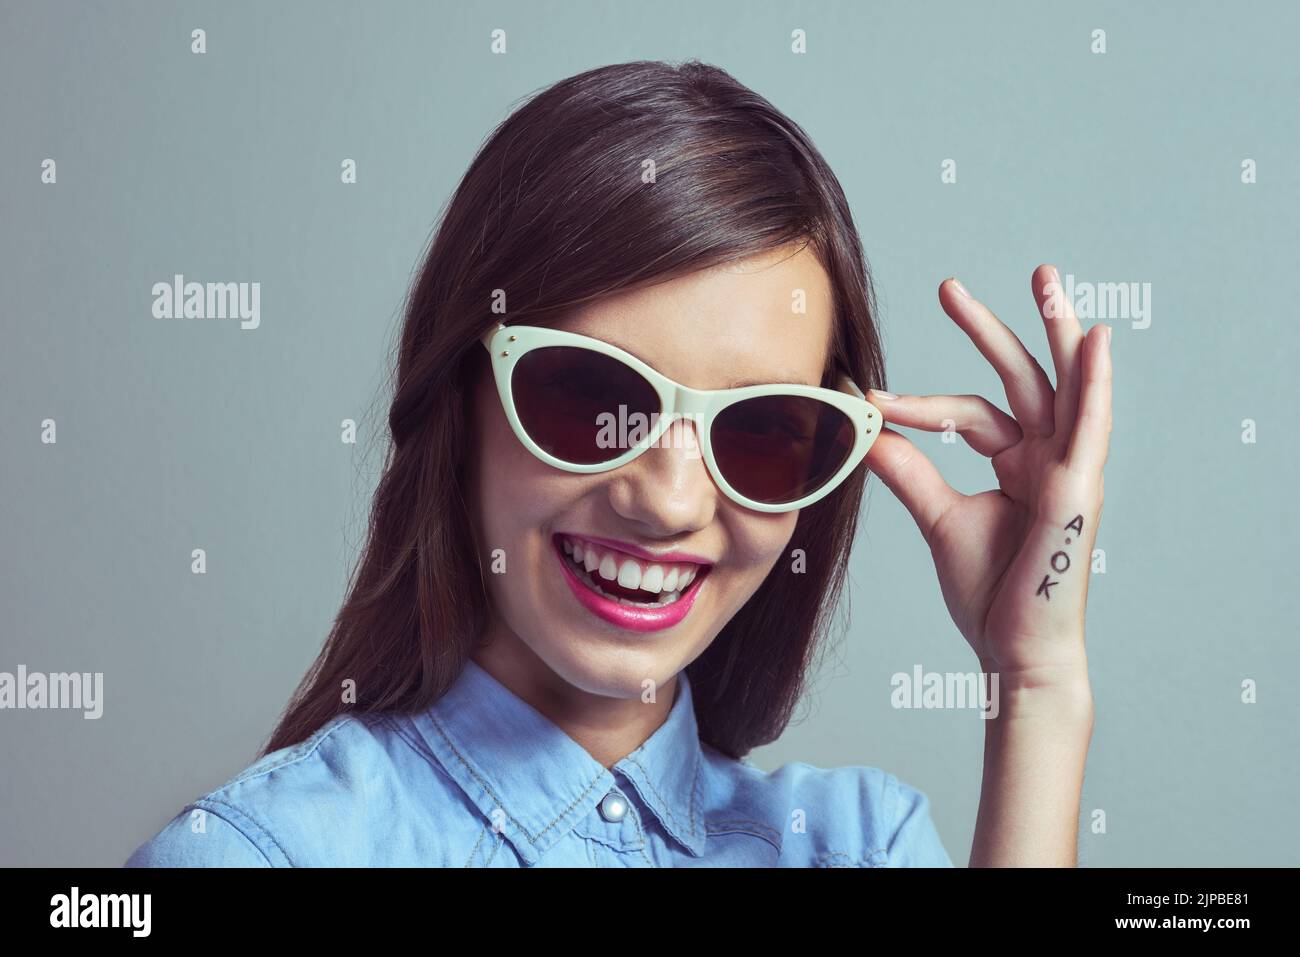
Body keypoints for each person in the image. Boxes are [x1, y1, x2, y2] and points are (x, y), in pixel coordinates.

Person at [125, 59, 1109, 868]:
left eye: (759, 430)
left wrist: (1035, 684)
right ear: (462, 395)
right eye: (592, 398)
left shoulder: (857, 847)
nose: (670, 501)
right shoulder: (260, 857)